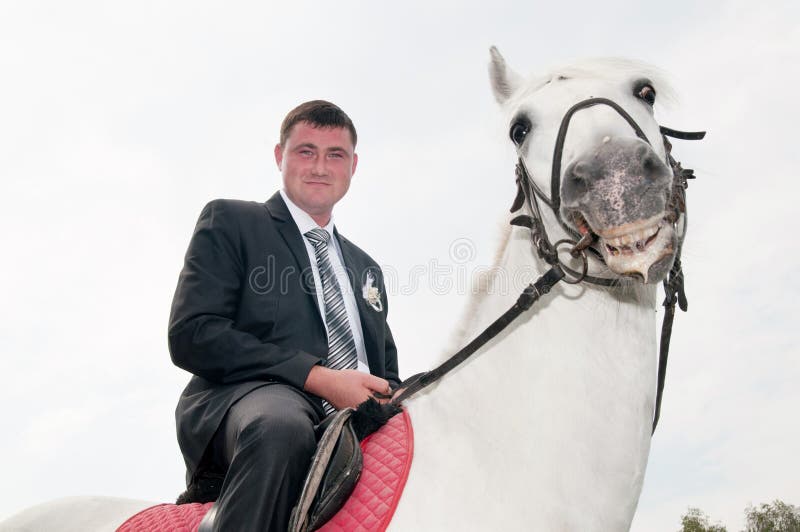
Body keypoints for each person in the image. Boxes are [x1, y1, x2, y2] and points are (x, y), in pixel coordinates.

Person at [168, 100, 400, 531]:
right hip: (253, 401)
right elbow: (193, 334)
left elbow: (387, 371)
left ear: (353, 165)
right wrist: (321, 378)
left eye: (335, 155)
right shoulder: (233, 221)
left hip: (357, 413)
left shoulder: (366, 268)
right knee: (281, 427)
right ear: (280, 156)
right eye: (305, 151)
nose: (320, 167)